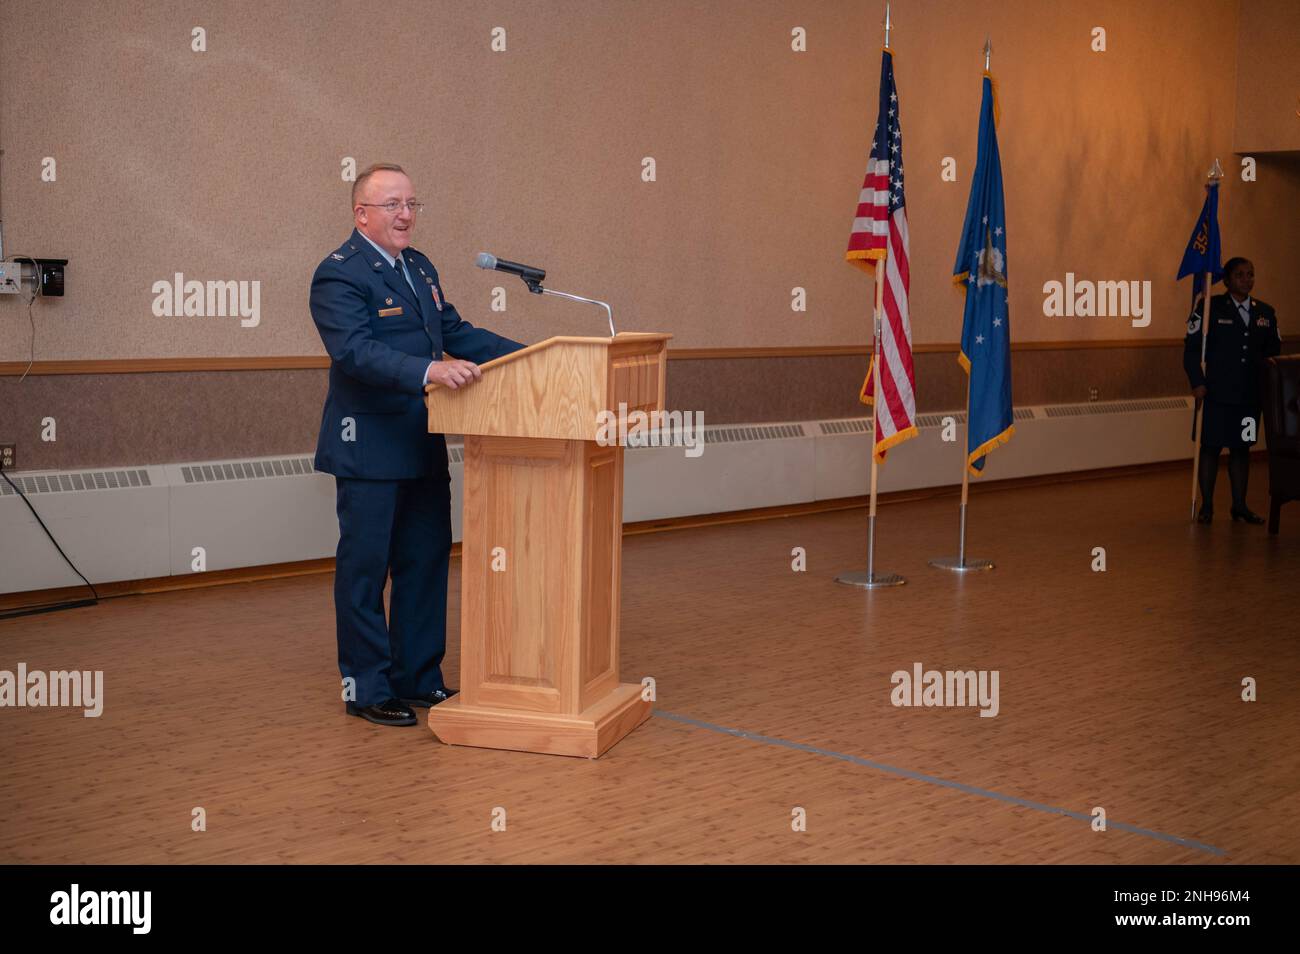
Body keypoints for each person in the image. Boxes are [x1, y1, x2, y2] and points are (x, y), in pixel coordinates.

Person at [310, 163, 524, 726]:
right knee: (366, 570)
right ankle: (367, 688)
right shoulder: (338, 275)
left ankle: (418, 677)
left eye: (412, 204)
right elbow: (355, 352)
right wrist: (430, 369)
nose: (406, 215)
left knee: (425, 562)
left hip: (423, 443)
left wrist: (535, 352)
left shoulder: (419, 267)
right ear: (362, 214)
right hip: (368, 448)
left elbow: (454, 331)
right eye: (393, 205)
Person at [1183, 256, 1281, 524]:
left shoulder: (1265, 313)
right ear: (1226, 280)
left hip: (1249, 399)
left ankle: (1239, 505)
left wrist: (1269, 390)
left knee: (1242, 449)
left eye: (1250, 274)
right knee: (1210, 449)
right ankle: (1207, 506)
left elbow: (1274, 355)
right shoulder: (1209, 308)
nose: (1246, 279)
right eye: (1240, 275)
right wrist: (1197, 382)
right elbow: (1191, 350)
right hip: (1215, 395)